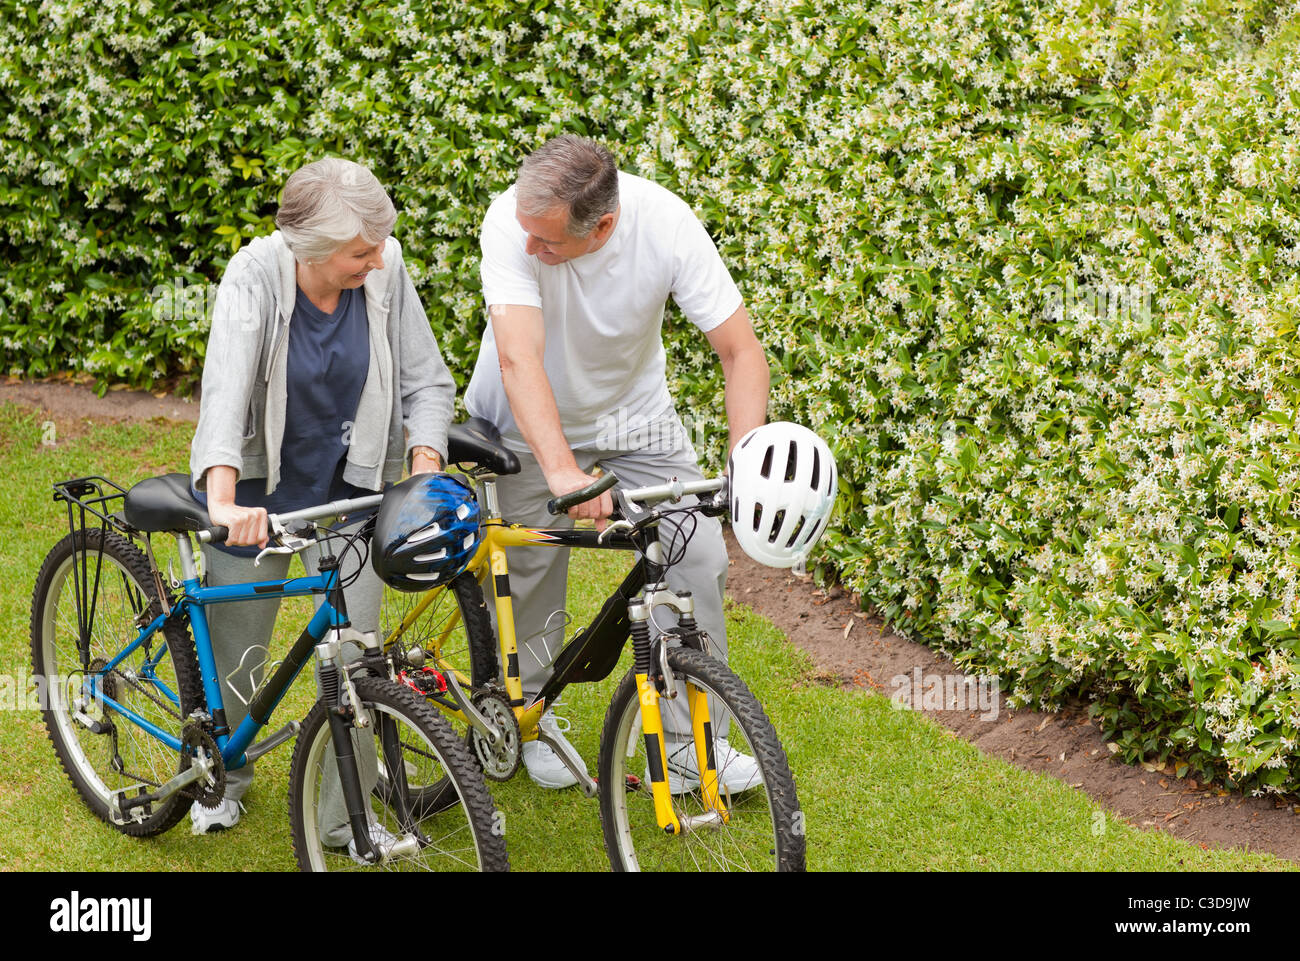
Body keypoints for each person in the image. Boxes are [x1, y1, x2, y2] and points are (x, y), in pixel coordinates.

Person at [464, 134, 771, 788]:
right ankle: (530, 716)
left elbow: (741, 351)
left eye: (546, 241)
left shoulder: (665, 224)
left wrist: (745, 461)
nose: (530, 248)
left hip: (638, 421)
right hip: (523, 421)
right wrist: (563, 473)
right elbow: (519, 357)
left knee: (698, 555)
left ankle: (692, 748)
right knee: (533, 569)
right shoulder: (508, 222)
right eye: (527, 231)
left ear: (603, 223)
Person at [188, 157, 455, 838]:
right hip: (261, 497)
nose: (377, 261)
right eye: (359, 253)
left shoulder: (385, 269)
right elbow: (222, 393)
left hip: (351, 492)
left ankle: (343, 819)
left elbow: (427, 383)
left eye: (378, 247)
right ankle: (221, 777)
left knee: (358, 654)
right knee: (239, 656)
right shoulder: (254, 278)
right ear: (310, 249)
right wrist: (222, 501)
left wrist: (424, 465)